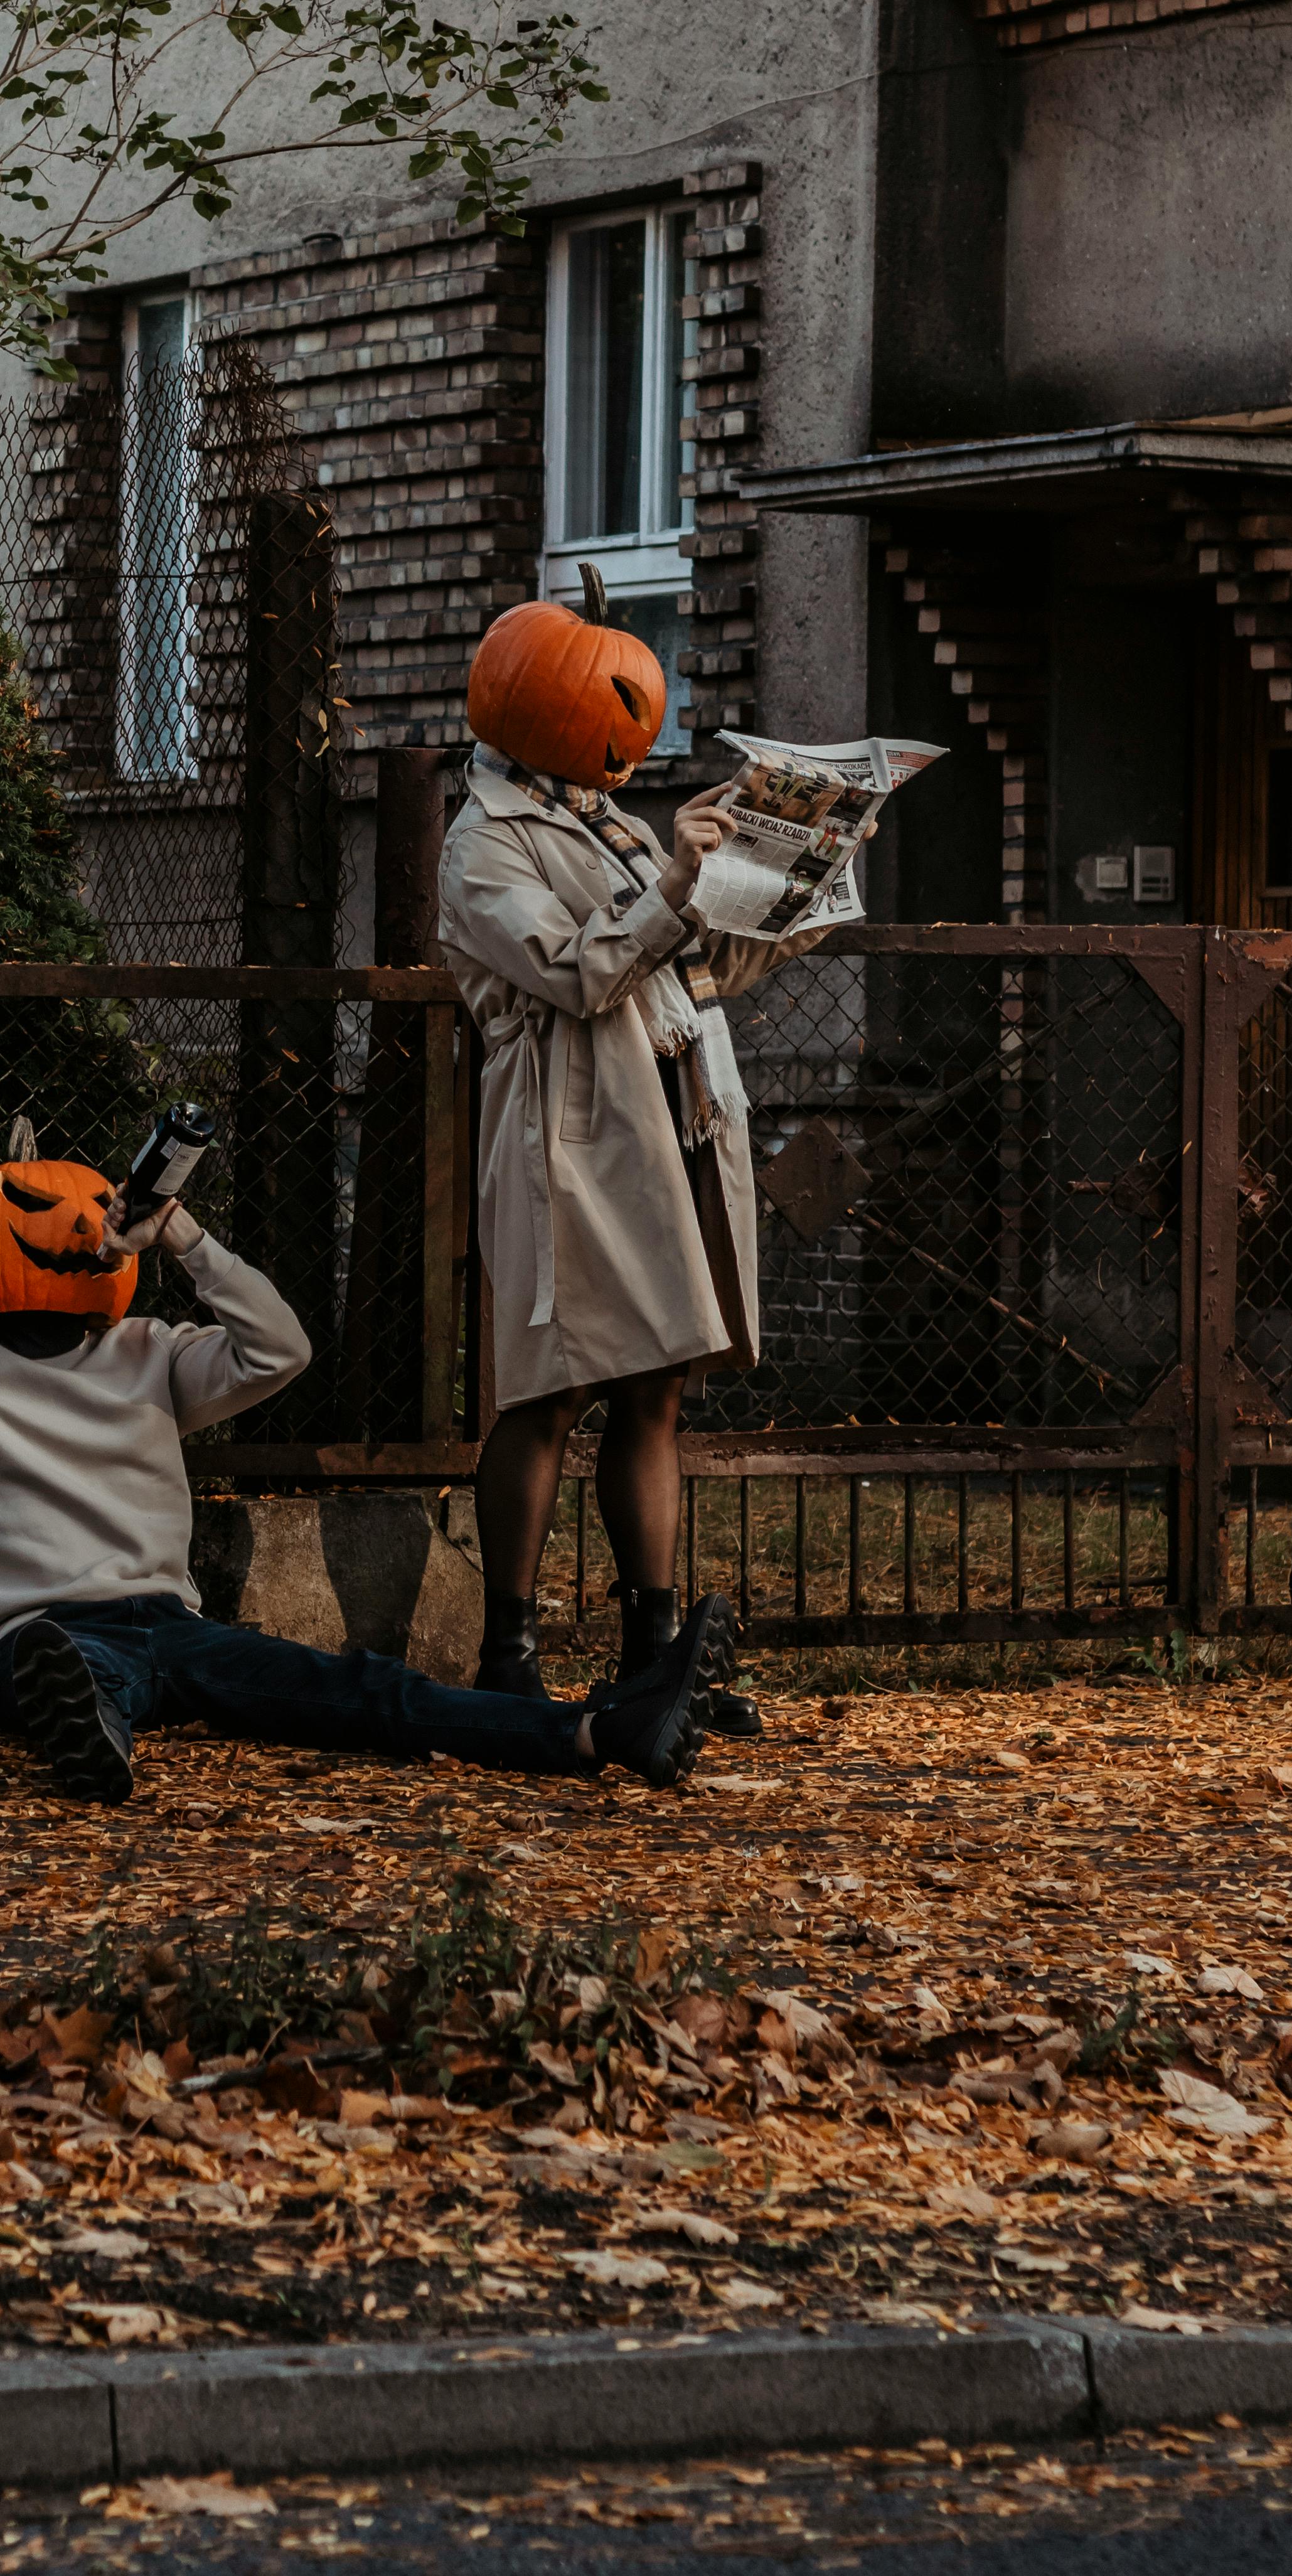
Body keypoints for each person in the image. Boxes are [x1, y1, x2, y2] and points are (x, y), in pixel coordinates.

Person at [0, 1148, 737, 1805]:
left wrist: (183, 1240)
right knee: (73, 1670)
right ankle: (73, 1711)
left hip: (173, 1625)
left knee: (364, 1691)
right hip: (43, 1619)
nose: (80, 1224)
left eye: (99, 1209)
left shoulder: (150, 1357)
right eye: (42, 1211)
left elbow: (280, 1350)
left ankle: (601, 1733)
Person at [439, 570, 801, 1728]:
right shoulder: (479, 844)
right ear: (535, 705)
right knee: (547, 1391)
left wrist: (786, 893)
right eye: (612, 705)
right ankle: (508, 1662)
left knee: (656, 1389)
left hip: (670, 1117)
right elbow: (580, 971)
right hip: (570, 1132)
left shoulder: (614, 826)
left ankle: (657, 1665)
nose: (631, 731)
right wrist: (681, 884)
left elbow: (687, 969)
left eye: (639, 705)